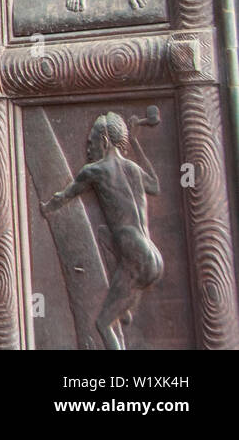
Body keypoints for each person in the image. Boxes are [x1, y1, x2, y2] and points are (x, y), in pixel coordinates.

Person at [43, 112, 162, 350]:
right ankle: (125, 305)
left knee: (103, 324)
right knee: (105, 235)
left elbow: (64, 196)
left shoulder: (94, 171)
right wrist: (136, 143)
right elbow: (155, 187)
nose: (88, 148)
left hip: (135, 260)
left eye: (92, 142)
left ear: (105, 140)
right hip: (153, 256)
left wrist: (46, 207)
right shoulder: (134, 170)